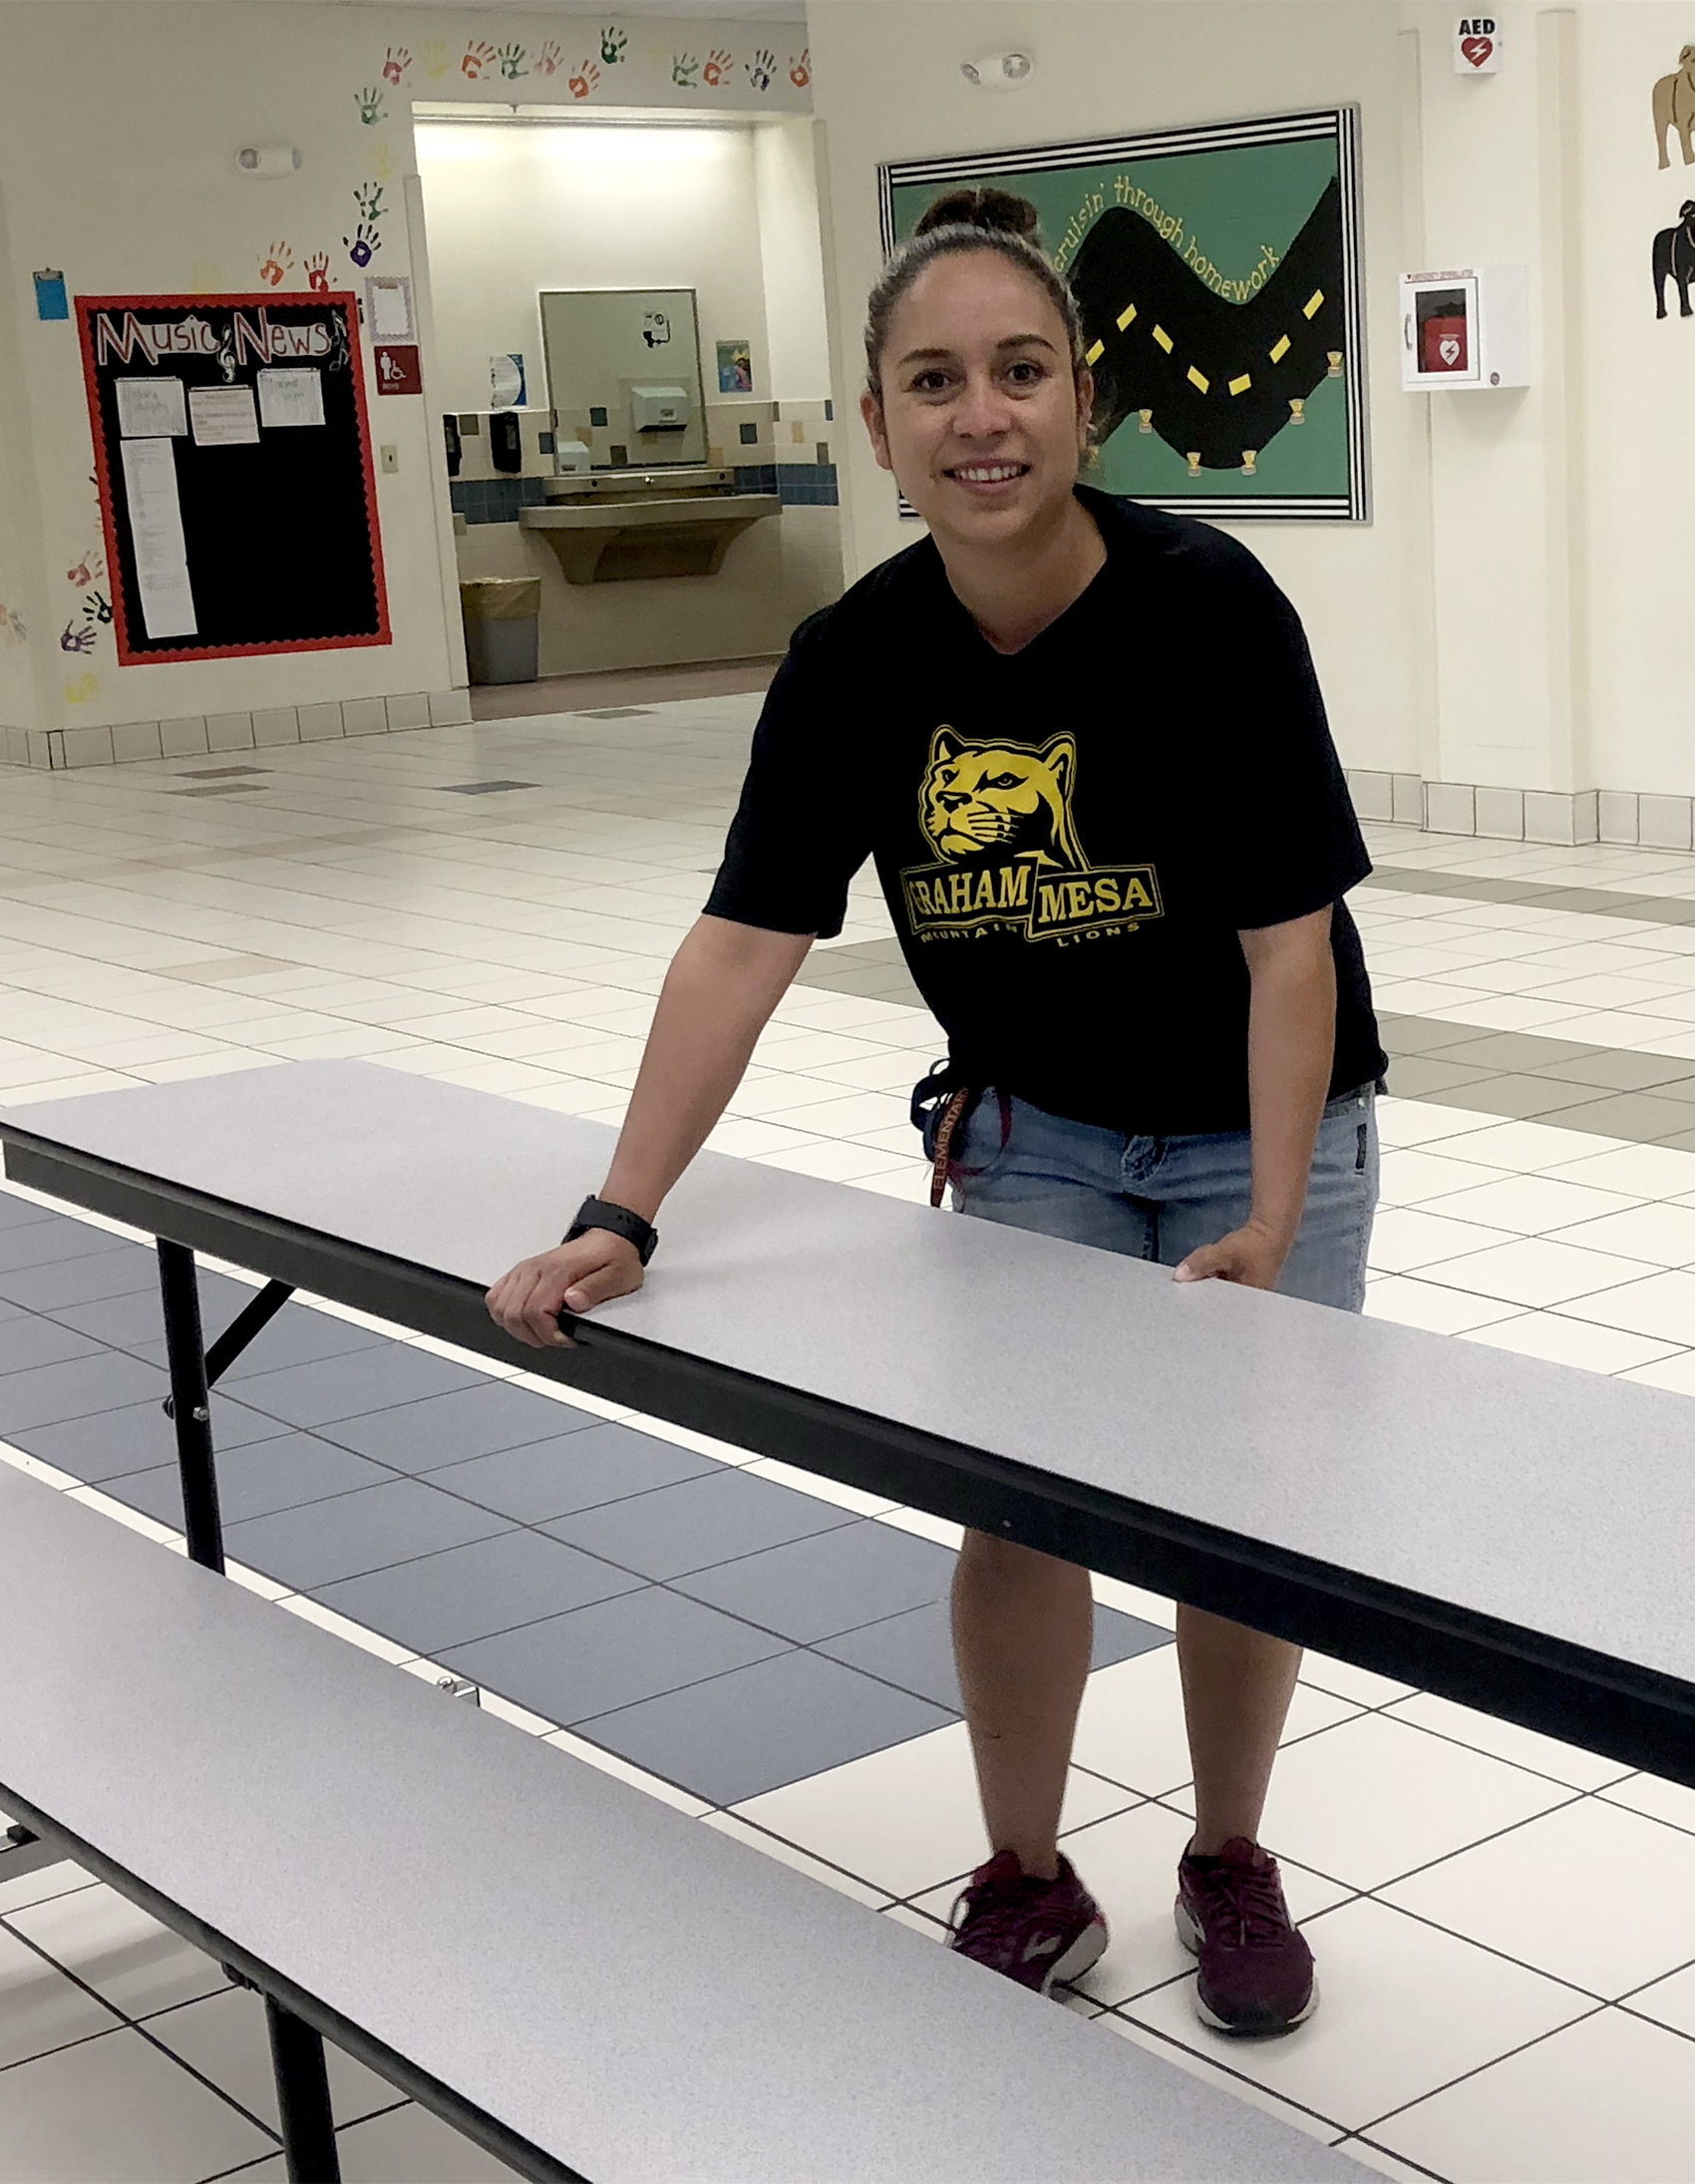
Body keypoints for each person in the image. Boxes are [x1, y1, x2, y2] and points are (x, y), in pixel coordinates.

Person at [487, 187, 1384, 2039]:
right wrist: (625, 1210)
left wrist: (1274, 1224)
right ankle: (1031, 1874)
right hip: (1037, 1126)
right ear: (878, 431)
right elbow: (744, 942)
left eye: (1020, 370)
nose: (983, 413)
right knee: (1016, 1515)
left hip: (1256, 1131)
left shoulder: (1209, 609)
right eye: (934, 380)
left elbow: (1292, 950)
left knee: (1240, 1520)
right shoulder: (856, 664)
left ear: (1084, 404)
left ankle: (1228, 1854)